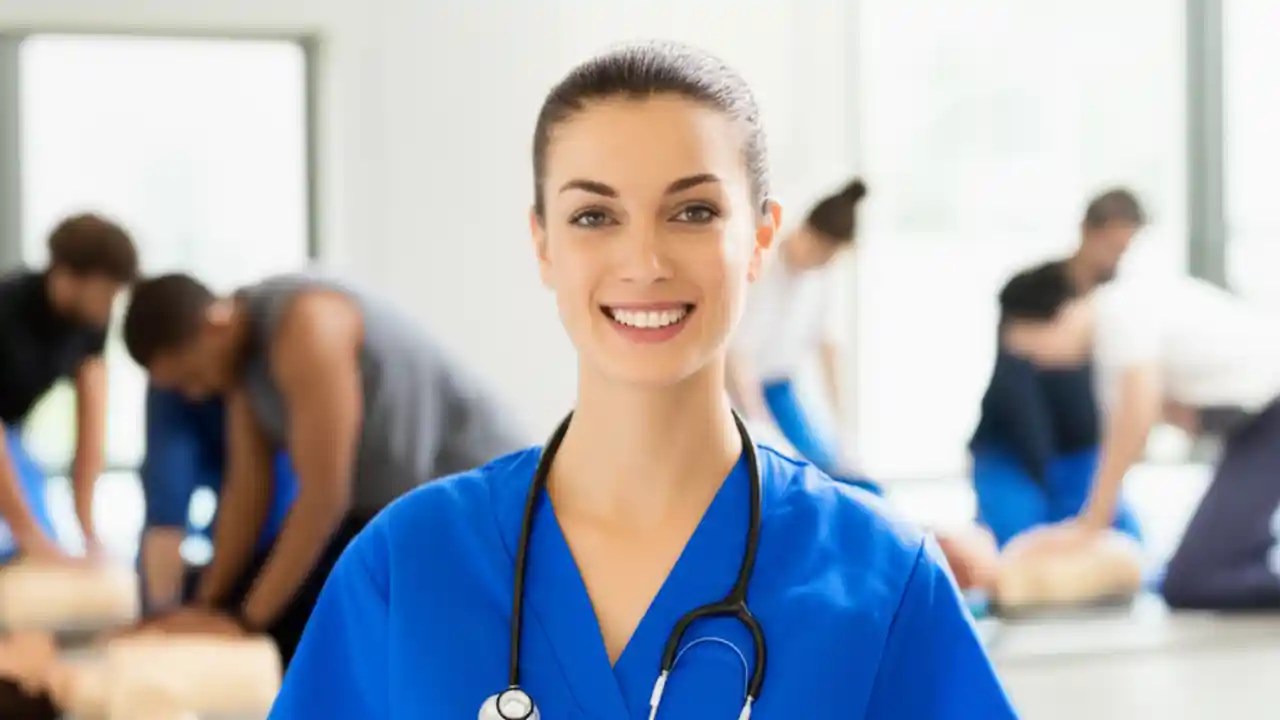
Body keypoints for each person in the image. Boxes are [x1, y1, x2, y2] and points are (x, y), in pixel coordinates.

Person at [269, 41, 1016, 718]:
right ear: (543, 245)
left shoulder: (880, 580)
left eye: (692, 212)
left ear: (758, 239)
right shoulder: (407, 565)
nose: (645, 262)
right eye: (595, 216)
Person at [120, 271, 527, 664]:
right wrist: (206, 608)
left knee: (298, 630)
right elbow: (246, 493)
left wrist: (244, 624)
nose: (196, 393)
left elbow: (324, 497)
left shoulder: (307, 325)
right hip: (388, 510)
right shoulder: (239, 364)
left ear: (215, 323)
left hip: (482, 506)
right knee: (253, 607)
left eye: (192, 375)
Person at [1001, 260, 1280, 609]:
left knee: (1193, 581)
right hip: (1254, 428)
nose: (1039, 363)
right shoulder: (1112, 343)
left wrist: (1092, 523)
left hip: (1269, 417)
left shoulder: (1118, 313)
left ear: (1059, 315)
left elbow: (1136, 419)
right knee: (1190, 575)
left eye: (1032, 348)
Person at [970, 190, 1147, 547]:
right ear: (1087, 231)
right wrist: (1039, 464)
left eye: (1124, 249)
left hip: (1079, 452)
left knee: (1126, 543)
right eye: (1111, 245)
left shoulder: (1118, 305)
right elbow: (1015, 382)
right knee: (1018, 544)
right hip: (1013, 446)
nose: (1116, 258)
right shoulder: (1028, 290)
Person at [0, 214, 137, 563]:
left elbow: (92, 424)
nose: (111, 306)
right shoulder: (9, 310)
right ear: (67, 275)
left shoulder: (91, 323)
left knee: (47, 549)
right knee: (26, 546)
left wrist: (88, 529)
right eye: (106, 292)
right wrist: (29, 537)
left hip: (11, 436)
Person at [727, 178, 876, 492]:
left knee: (832, 468)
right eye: (821, 254)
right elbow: (736, 356)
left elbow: (828, 349)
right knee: (777, 474)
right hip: (736, 390)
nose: (820, 264)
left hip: (780, 387)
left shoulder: (821, 277)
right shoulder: (760, 264)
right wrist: (761, 426)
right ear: (807, 232)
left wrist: (843, 429)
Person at [137, 384, 299, 615]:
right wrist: (164, 619)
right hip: (181, 390)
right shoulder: (171, 386)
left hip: (272, 546)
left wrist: (244, 618)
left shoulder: (267, 383)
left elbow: (255, 498)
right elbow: (165, 518)